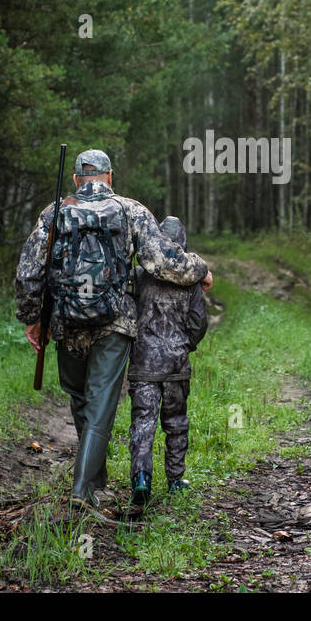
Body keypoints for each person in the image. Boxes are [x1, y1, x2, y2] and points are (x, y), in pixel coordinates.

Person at [14, 149, 212, 513]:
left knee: (80, 399)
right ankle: (82, 488)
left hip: (66, 320)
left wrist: (33, 317)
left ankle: (93, 483)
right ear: (109, 177)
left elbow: (29, 271)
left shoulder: (53, 212)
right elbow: (163, 262)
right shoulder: (131, 210)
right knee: (101, 402)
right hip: (114, 321)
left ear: (76, 179)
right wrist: (199, 269)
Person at [127, 216, 208, 505]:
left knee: (143, 423)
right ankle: (175, 480)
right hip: (176, 365)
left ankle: (141, 479)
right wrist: (186, 345)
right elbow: (199, 322)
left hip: (143, 365)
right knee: (175, 422)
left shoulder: (138, 277)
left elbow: (126, 314)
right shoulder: (191, 281)